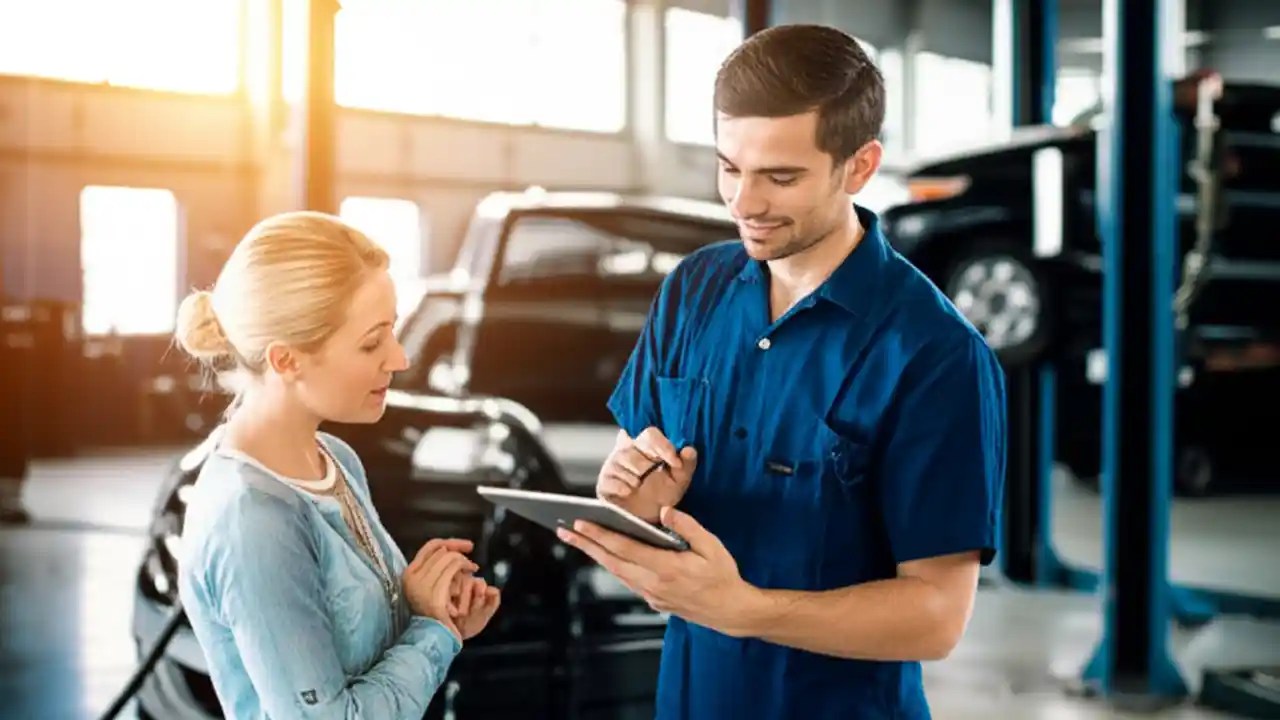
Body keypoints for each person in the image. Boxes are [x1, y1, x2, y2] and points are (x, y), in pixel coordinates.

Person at [557, 24, 1006, 719]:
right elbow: (630, 487)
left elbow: (937, 616)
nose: (744, 202)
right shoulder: (694, 290)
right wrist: (631, 502)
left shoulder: (934, 354)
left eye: (781, 176)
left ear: (859, 167)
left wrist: (747, 611)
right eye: (730, 167)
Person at [173, 210, 500, 719]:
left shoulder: (335, 459)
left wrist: (431, 609)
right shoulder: (254, 521)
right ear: (286, 360)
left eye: (391, 331)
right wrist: (432, 633)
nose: (399, 358)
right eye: (372, 342)